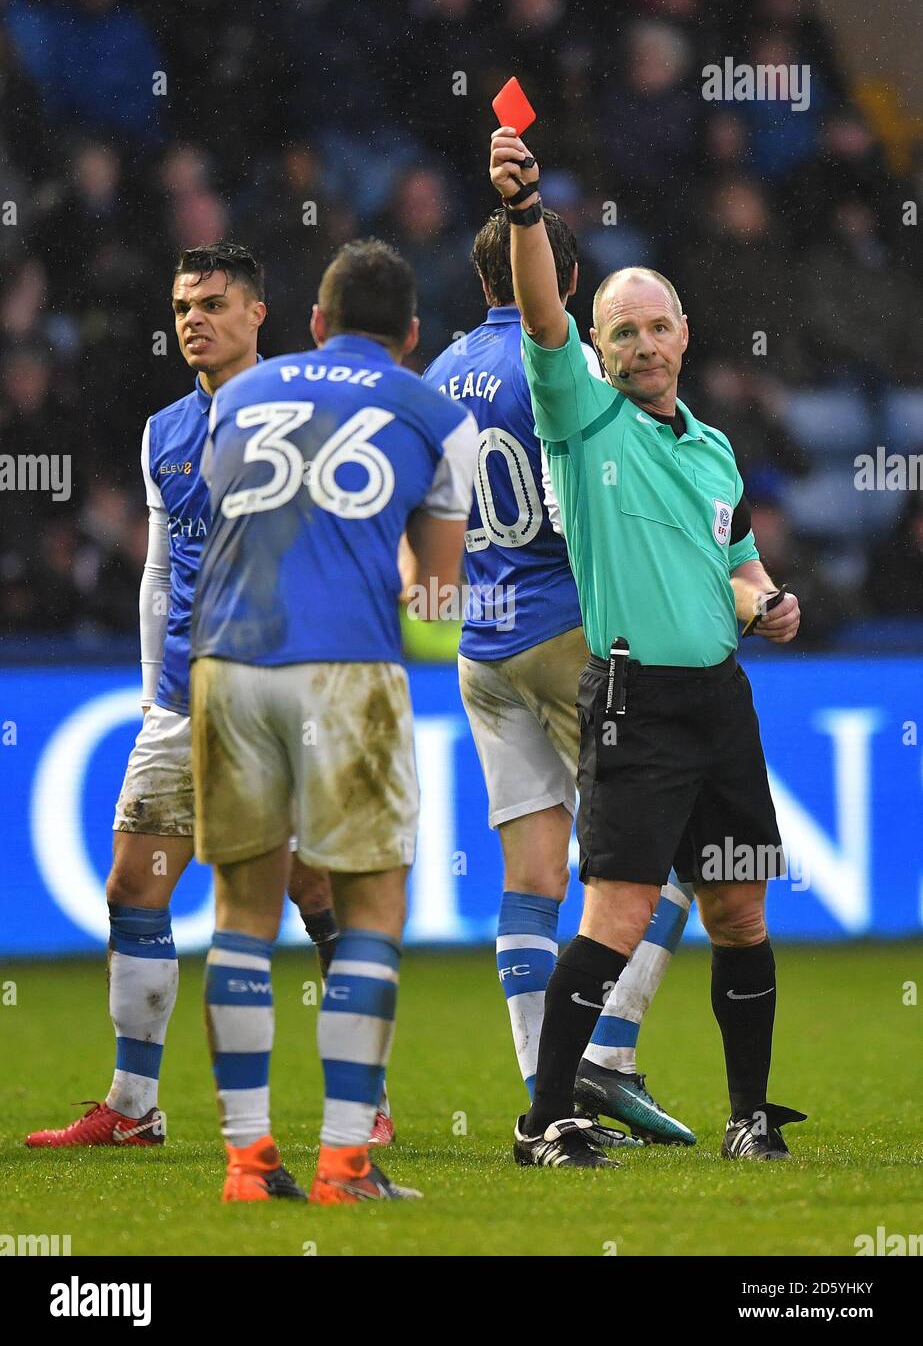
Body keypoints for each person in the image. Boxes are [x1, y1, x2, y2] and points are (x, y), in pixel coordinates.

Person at [488, 125, 806, 1168]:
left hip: (719, 699)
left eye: (653, 328)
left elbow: (738, 558)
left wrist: (763, 602)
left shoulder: (710, 447)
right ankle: (547, 1119)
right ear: (596, 344)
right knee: (617, 912)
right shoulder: (578, 418)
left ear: (683, 332)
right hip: (630, 698)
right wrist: (525, 212)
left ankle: (749, 1116)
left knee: (738, 907)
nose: (637, 346)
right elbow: (539, 313)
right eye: (616, 331)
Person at [24, 242, 344, 1149]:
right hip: (178, 695)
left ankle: (370, 1087)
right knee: (134, 884)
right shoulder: (164, 430)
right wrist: (149, 693)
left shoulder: (307, 417)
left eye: (211, 303)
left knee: (310, 880)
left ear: (256, 314)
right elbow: (160, 570)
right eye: (180, 308)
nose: (192, 320)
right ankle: (132, 1108)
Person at [189, 238, 478, 1203]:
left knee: (239, 917)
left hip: (225, 665)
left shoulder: (236, 397)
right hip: (343, 668)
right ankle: (346, 1163)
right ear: (412, 336)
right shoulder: (434, 411)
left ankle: (244, 1160)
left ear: (313, 322)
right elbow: (436, 606)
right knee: (369, 912)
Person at [423, 207, 694, 1145]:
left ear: (479, 278)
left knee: (531, 876)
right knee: (667, 856)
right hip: (567, 633)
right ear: (564, 283)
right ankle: (604, 1061)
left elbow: (427, 531)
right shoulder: (568, 363)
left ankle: (546, 1106)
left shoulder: (435, 378)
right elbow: (587, 504)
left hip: (478, 648)